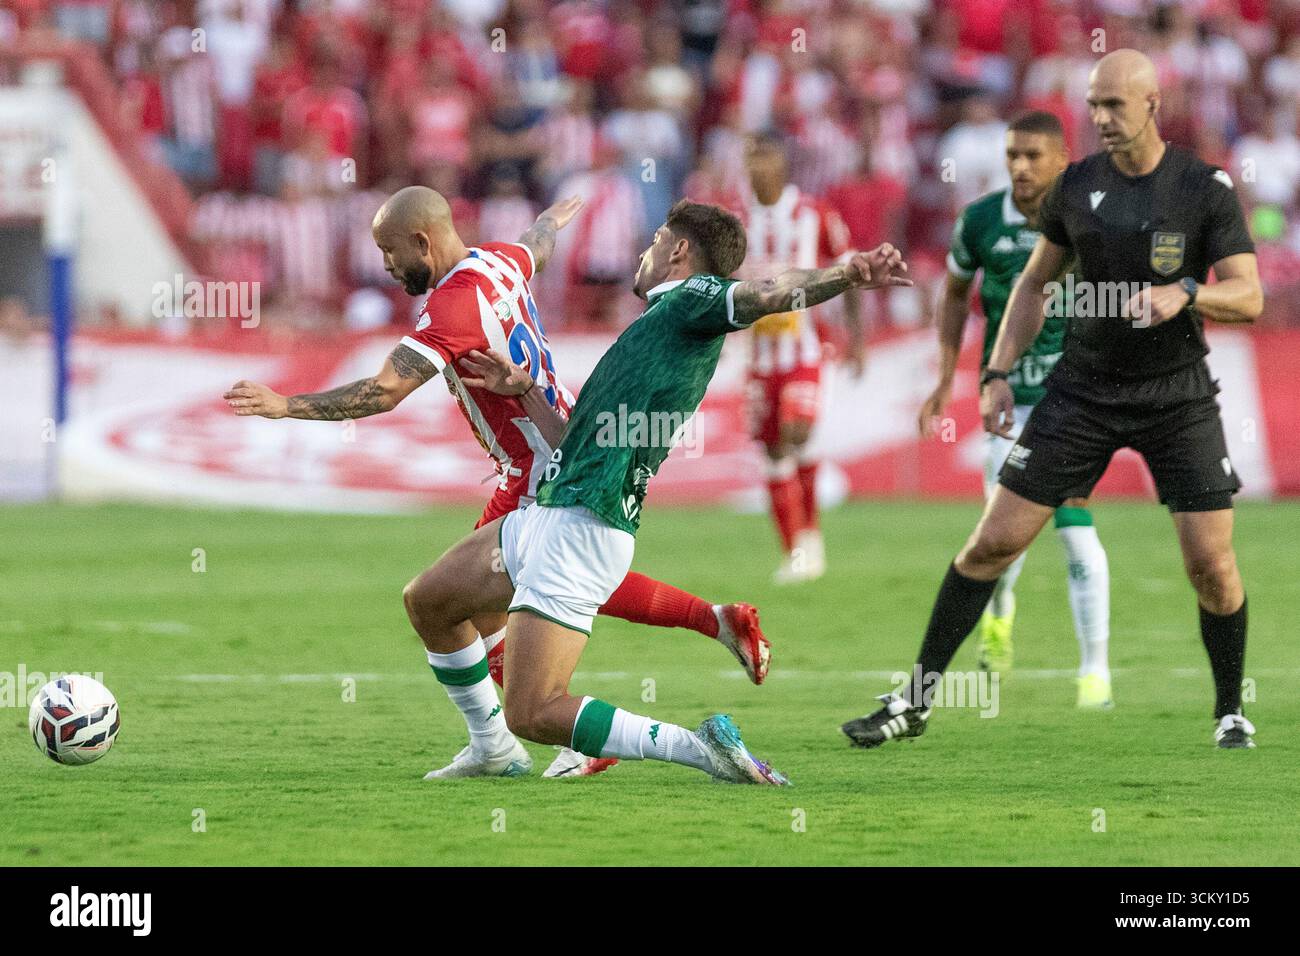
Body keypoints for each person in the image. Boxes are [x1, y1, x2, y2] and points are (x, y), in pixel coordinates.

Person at [224, 187, 771, 779]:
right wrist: (548, 221)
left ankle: (542, 739)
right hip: (550, 453)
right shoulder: (500, 259)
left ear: (422, 242)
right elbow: (537, 245)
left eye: (388, 249)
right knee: (460, 605)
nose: (383, 263)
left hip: (541, 476)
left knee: (470, 610)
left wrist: (286, 405)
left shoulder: (454, 305)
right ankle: (524, 733)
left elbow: (384, 390)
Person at [843, 49, 1263, 751]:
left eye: (1113, 105)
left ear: (1152, 105)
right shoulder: (1078, 187)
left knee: (1211, 568)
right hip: (1084, 392)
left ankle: (1229, 710)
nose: (1099, 118)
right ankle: (912, 702)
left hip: (1177, 396)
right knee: (992, 542)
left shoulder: (1203, 187)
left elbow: (1250, 295)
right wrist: (998, 371)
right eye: (1093, 105)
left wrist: (1188, 292)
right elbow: (1037, 284)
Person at [407, 199, 911, 784]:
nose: (643, 253)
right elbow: (576, 441)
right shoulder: (656, 324)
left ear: (678, 251)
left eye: (654, 240)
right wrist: (523, 390)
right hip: (551, 512)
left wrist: (847, 272)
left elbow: (770, 291)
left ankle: (701, 748)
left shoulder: (693, 301)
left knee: (534, 711)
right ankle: (492, 748)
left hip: (579, 526)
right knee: (430, 600)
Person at [918, 110, 1113, 707]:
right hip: (1004, 403)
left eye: (1033, 156)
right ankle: (1000, 614)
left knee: (1074, 524)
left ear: (1062, 160)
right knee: (999, 539)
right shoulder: (980, 221)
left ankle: (1094, 673)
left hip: (1071, 401)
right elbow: (953, 295)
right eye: (1012, 156)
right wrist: (946, 376)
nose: (1020, 167)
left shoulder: (1088, 220)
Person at [740, 131, 864, 584]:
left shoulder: (814, 213)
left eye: (766, 156)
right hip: (758, 358)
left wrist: (858, 340)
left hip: (806, 349)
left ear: (784, 163)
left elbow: (852, 270)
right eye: (752, 156)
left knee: (798, 428)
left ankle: (810, 539)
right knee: (775, 451)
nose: (758, 166)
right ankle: (797, 550)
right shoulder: (736, 222)